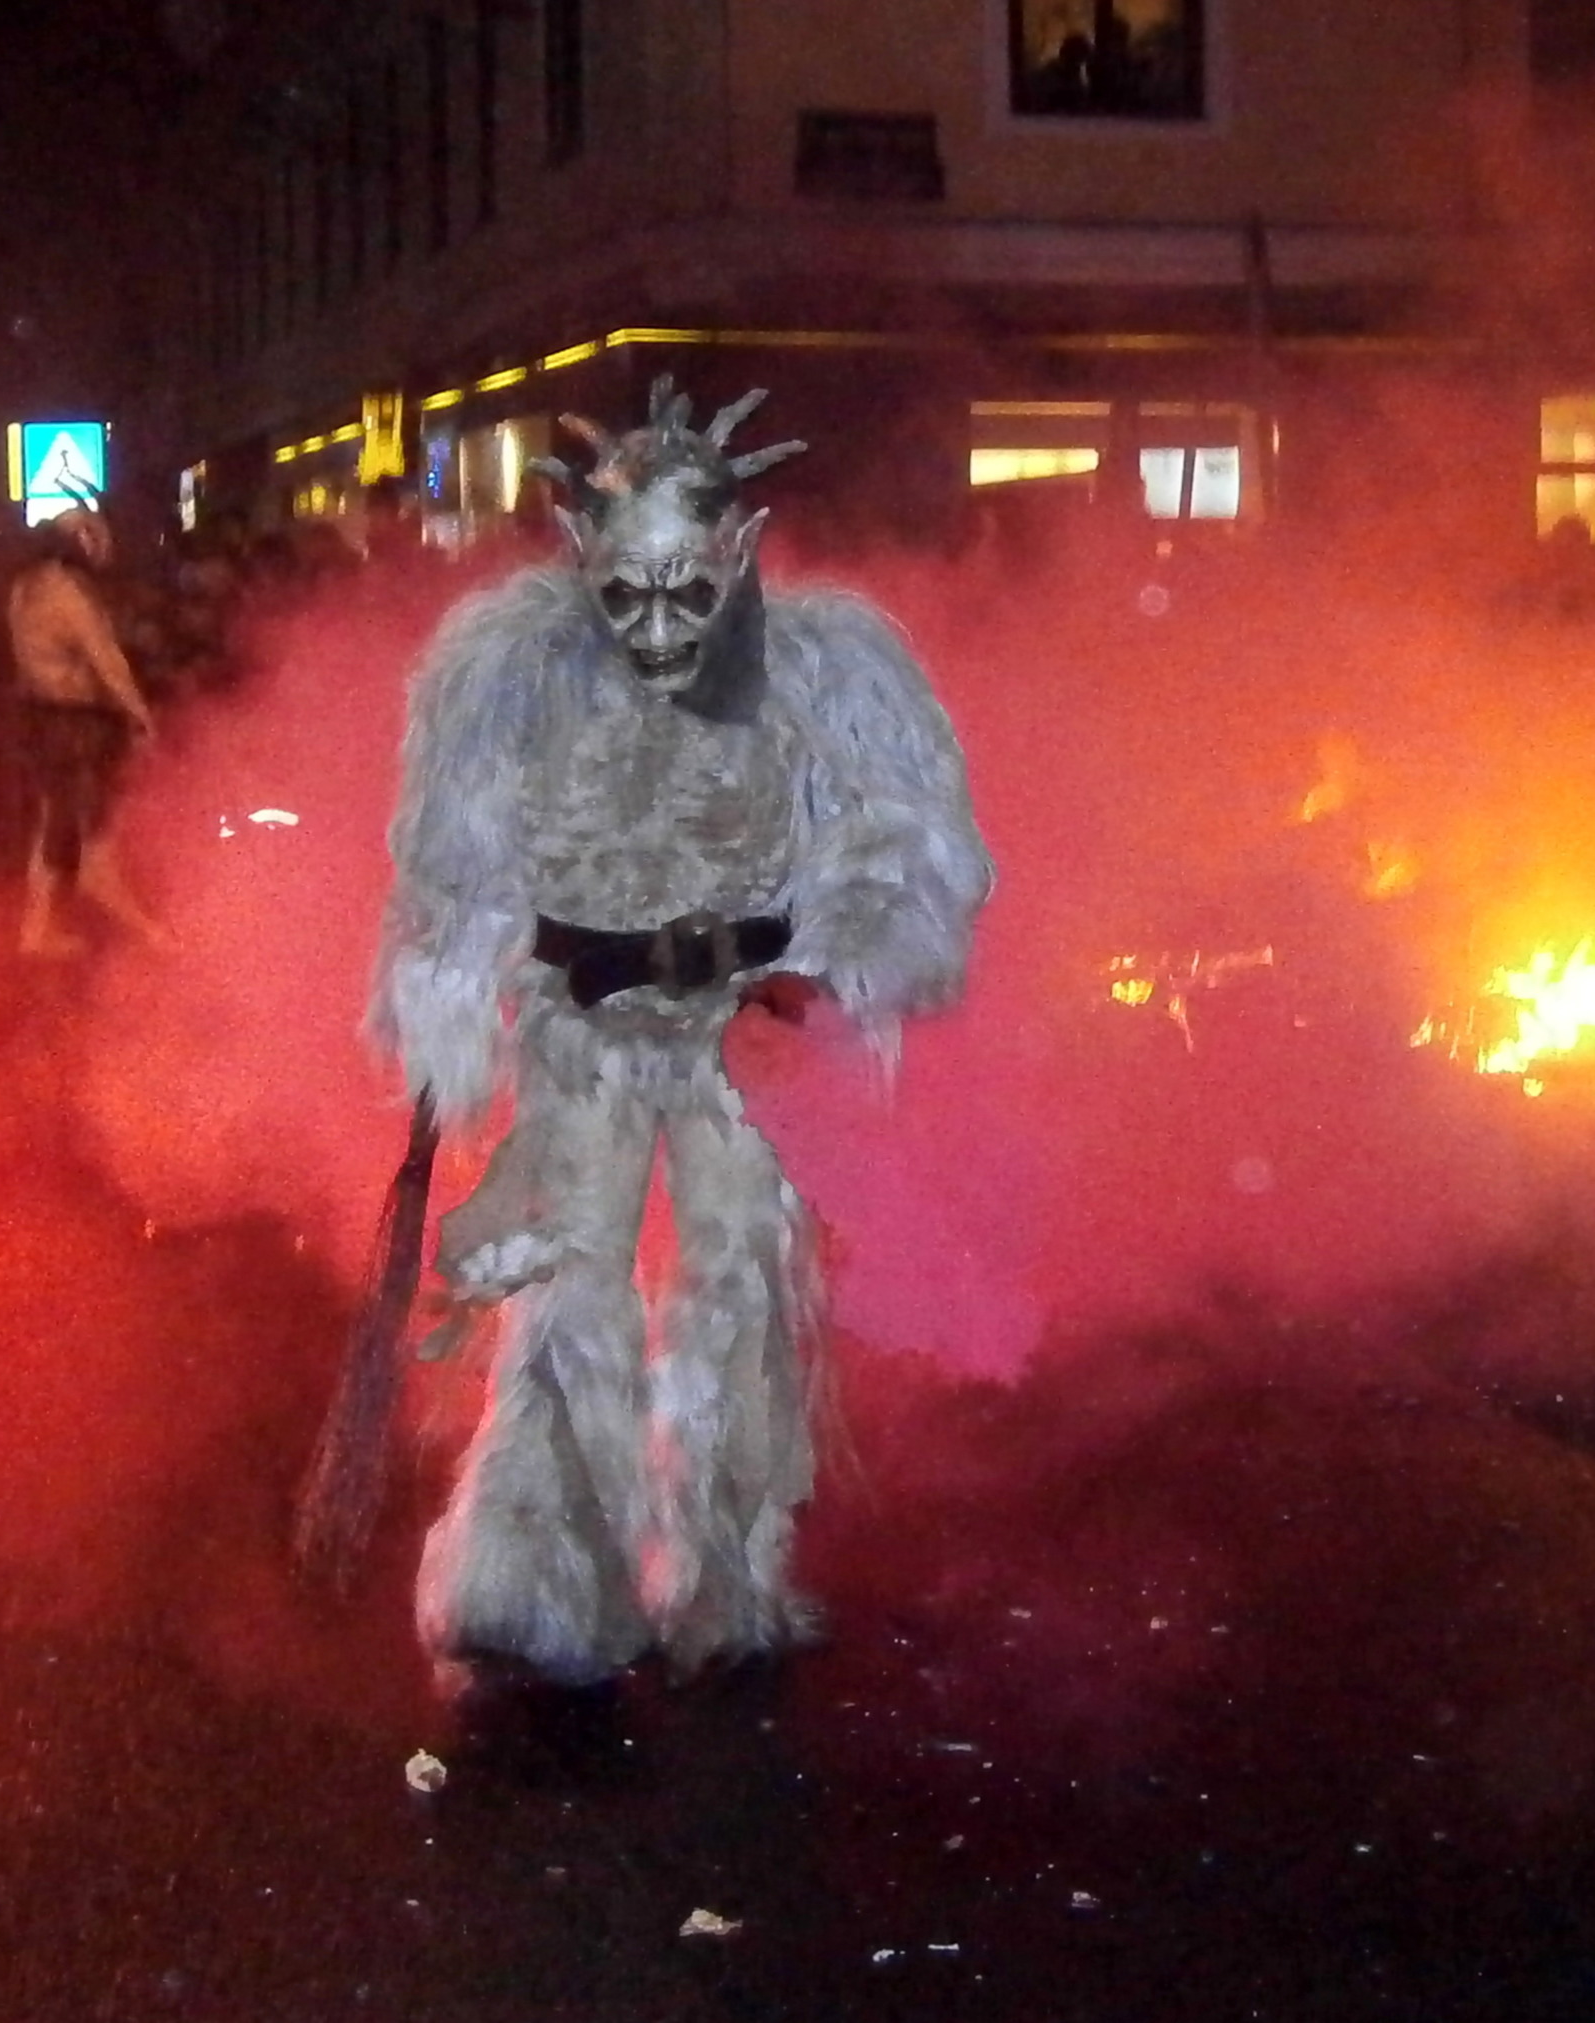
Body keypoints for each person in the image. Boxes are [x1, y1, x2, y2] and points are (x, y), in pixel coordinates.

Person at [370, 378, 992, 1698]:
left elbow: (907, 847)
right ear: (580, 558)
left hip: (739, 1031)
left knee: (737, 1291)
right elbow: (455, 859)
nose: (656, 626)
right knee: (564, 1288)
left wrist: (833, 958)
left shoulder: (830, 666)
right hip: (583, 1020)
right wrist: (445, 980)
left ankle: (720, 1565)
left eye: (689, 592)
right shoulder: (508, 672)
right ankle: (540, 1571)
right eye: (624, 591)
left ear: (741, 552)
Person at [6, 506, 166, 955]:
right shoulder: (67, 592)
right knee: (92, 829)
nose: (104, 545)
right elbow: (107, 660)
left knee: (52, 825)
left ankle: (35, 932)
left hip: (40, 720)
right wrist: (140, 715)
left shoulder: (25, 587)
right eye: (95, 535)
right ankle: (145, 930)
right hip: (74, 725)